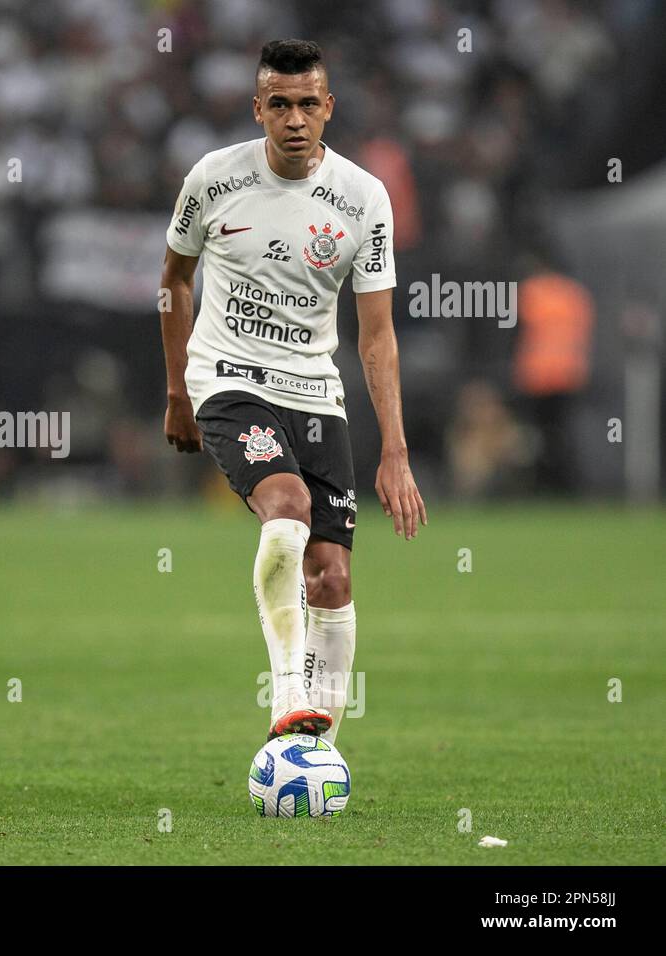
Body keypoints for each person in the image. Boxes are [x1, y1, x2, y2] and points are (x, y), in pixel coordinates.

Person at [158, 40, 427, 743]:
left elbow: (376, 335)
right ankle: (286, 697)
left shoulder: (364, 198)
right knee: (288, 506)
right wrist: (178, 393)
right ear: (258, 109)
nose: (295, 119)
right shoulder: (214, 180)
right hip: (228, 376)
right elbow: (174, 281)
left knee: (332, 578)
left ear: (329, 108)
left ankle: (316, 757)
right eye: (280, 104)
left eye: (309, 103)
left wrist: (394, 450)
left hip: (314, 391)